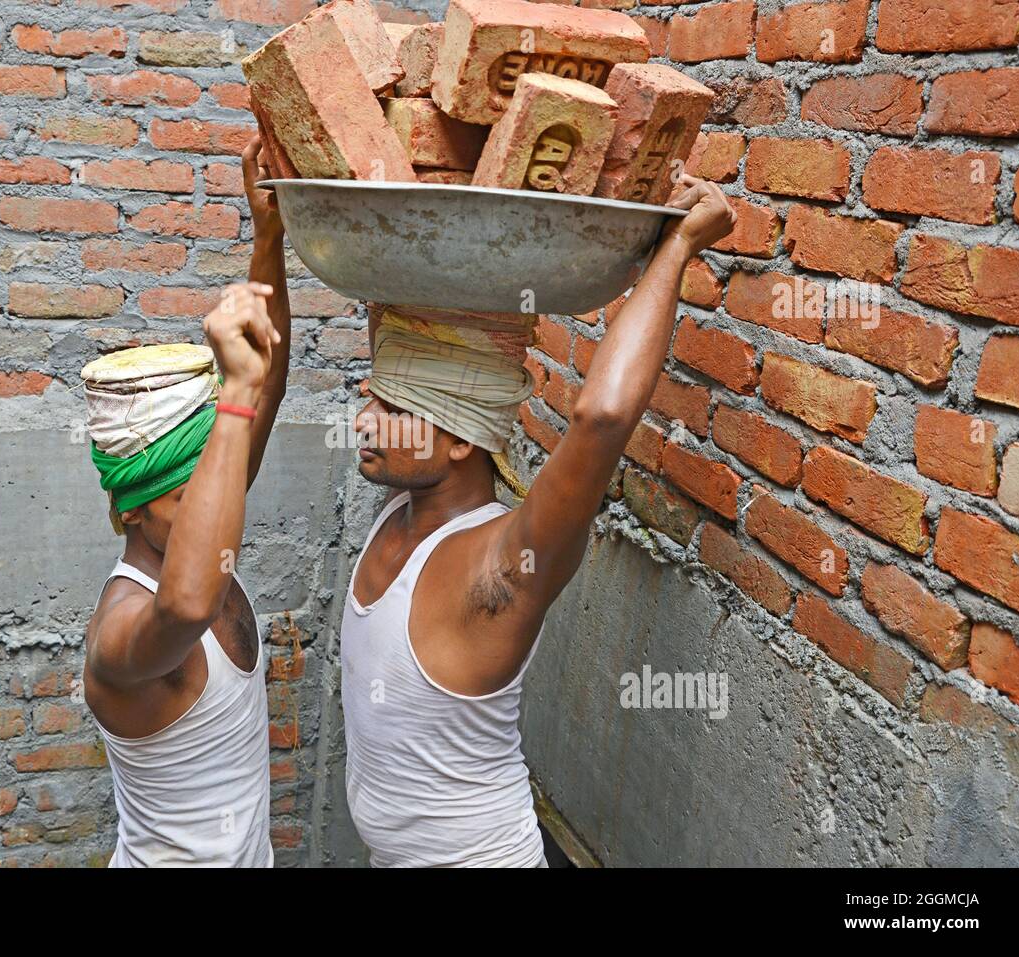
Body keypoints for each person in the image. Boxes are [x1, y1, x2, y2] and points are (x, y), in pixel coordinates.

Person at [338, 174, 736, 866]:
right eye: (372, 400)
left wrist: (676, 248)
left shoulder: (502, 565)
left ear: (461, 436)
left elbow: (603, 417)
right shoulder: (400, 509)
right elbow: (387, 312)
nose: (363, 426)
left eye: (392, 411)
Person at [80, 137, 290, 866]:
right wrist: (233, 394)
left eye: (217, 469)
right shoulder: (118, 637)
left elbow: (263, 394)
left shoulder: (200, 529)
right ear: (132, 506)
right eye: (191, 478)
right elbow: (186, 607)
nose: (216, 488)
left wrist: (269, 238)